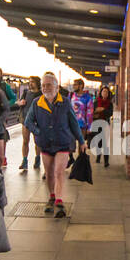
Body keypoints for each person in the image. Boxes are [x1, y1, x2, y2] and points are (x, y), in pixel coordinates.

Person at [24, 71, 84, 218]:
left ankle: (59, 200)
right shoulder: (37, 103)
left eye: (49, 85)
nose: (45, 88)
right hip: (45, 143)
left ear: (57, 87)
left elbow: (73, 123)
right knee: (49, 173)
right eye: (43, 85)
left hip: (63, 142)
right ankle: (51, 196)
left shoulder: (65, 102)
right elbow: (28, 122)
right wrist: (38, 131)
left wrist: (81, 141)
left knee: (58, 172)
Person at [16, 75, 42, 174]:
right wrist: (20, 102)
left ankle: (37, 159)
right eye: (29, 82)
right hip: (25, 120)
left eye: (33, 82)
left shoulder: (41, 94)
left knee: (37, 142)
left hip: (37, 121)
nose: (30, 83)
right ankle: (24, 161)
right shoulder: (26, 92)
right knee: (25, 141)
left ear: (37, 83)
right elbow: (18, 102)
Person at [92, 85, 114, 166]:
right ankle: (98, 157)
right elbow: (92, 112)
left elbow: (110, 113)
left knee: (105, 143)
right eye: (103, 91)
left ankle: (106, 161)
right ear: (100, 93)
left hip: (105, 125)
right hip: (97, 124)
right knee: (98, 142)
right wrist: (96, 111)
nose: (105, 93)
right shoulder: (96, 102)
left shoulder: (110, 104)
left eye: (106, 92)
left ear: (108, 94)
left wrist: (103, 110)